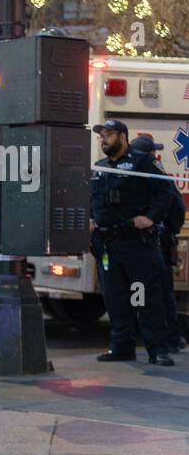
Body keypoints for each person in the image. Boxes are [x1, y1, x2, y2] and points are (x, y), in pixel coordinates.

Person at [89, 119, 175, 366]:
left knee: (144, 297)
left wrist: (151, 218)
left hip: (136, 245)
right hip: (108, 244)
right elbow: (91, 198)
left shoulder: (142, 161)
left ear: (123, 137)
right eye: (101, 135)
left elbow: (165, 191)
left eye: (108, 134)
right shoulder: (100, 167)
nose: (103, 139)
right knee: (116, 300)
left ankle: (157, 349)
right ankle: (121, 347)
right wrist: (91, 219)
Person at [130, 135, 186, 353]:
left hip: (133, 243)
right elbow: (177, 208)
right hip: (157, 241)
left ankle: (136, 334)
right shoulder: (158, 175)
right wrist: (170, 231)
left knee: (138, 291)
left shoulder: (127, 177)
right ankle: (171, 338)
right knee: (162, 292)